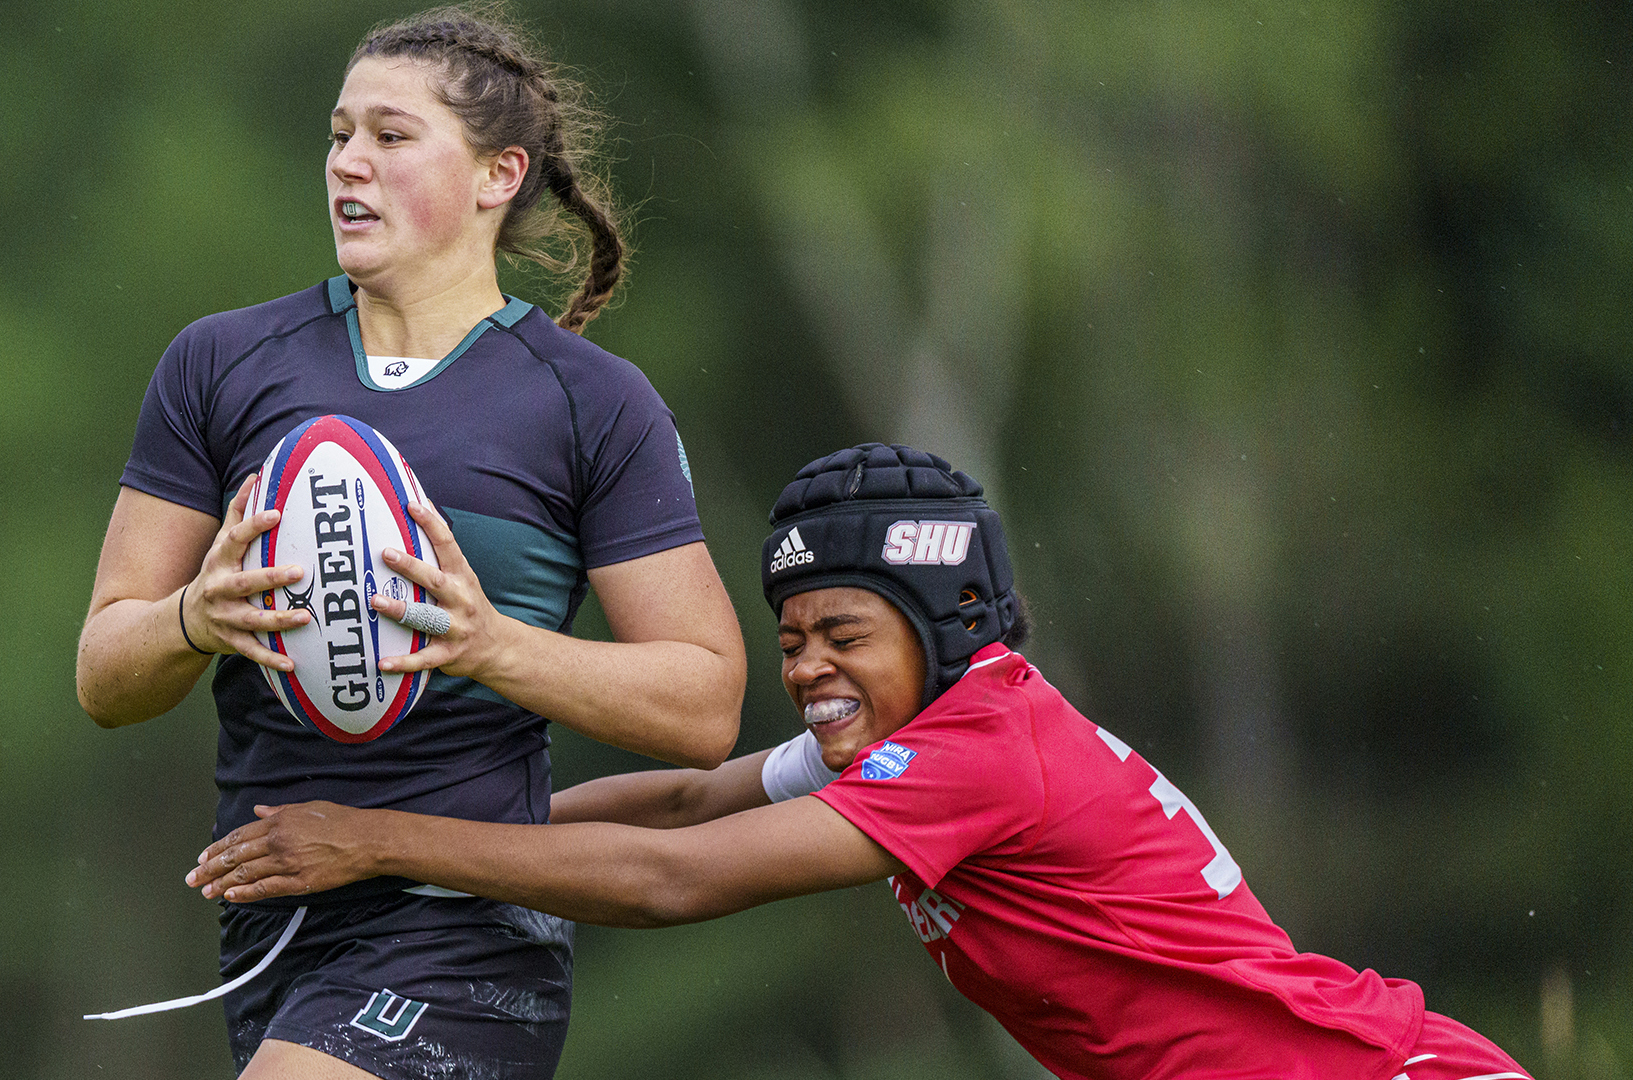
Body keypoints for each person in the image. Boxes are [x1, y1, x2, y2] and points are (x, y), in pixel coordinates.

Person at [189, 443, 1536, 1080]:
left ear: (948, 625)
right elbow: (693, 794)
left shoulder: (975, 753)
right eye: (790, 640)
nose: (807, 669)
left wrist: (381, 846)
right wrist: (410, 837)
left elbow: (677, 879)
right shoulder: (930, 741)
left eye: (843, 633)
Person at [76, 5, 745, 1078]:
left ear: (497, 175)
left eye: (391, 137)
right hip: (271, 930)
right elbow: (105, 676)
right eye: (339, 135)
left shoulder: (590, 406)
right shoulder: (219, 364)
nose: (348, 164)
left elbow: (705, 706)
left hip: (469, 933)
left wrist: (490, 646)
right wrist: (192, 619)